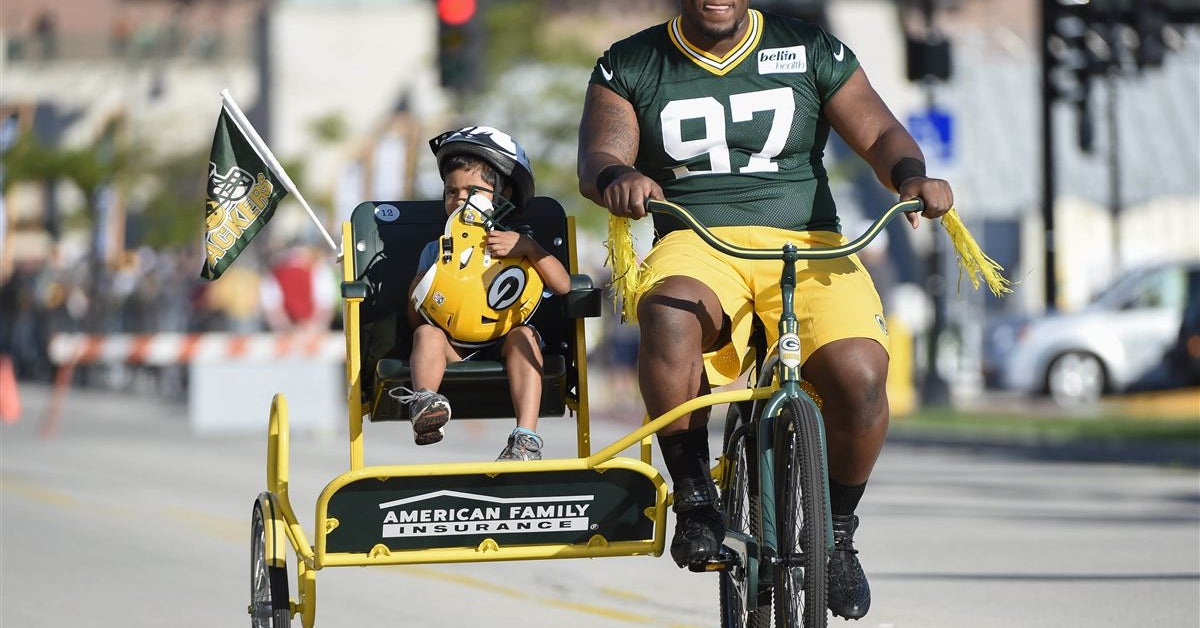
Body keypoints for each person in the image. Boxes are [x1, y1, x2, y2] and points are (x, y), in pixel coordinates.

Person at [577, 2, 954, 620]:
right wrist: (619, 174)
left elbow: (881, 133)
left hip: (807, 241)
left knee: (861, 376)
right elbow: (599, 154)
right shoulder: (632, 62)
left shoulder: (807, 47)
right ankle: (696, 495)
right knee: (668, 312)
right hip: (697, 238)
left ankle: (837, 534)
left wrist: (910, 175)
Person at [393, 126, 571, 461]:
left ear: (502, 195)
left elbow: (562, 286)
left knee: (524, 336)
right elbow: (415, 317)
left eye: (473, 191)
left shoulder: (519, 243)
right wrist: (418, 288)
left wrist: (529, 248)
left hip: (503, 341)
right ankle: (426, 403)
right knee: (426, 334)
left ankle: (525, 438)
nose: (459, 200)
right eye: (451, 192)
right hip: (454, 344)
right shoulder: (438, 249)